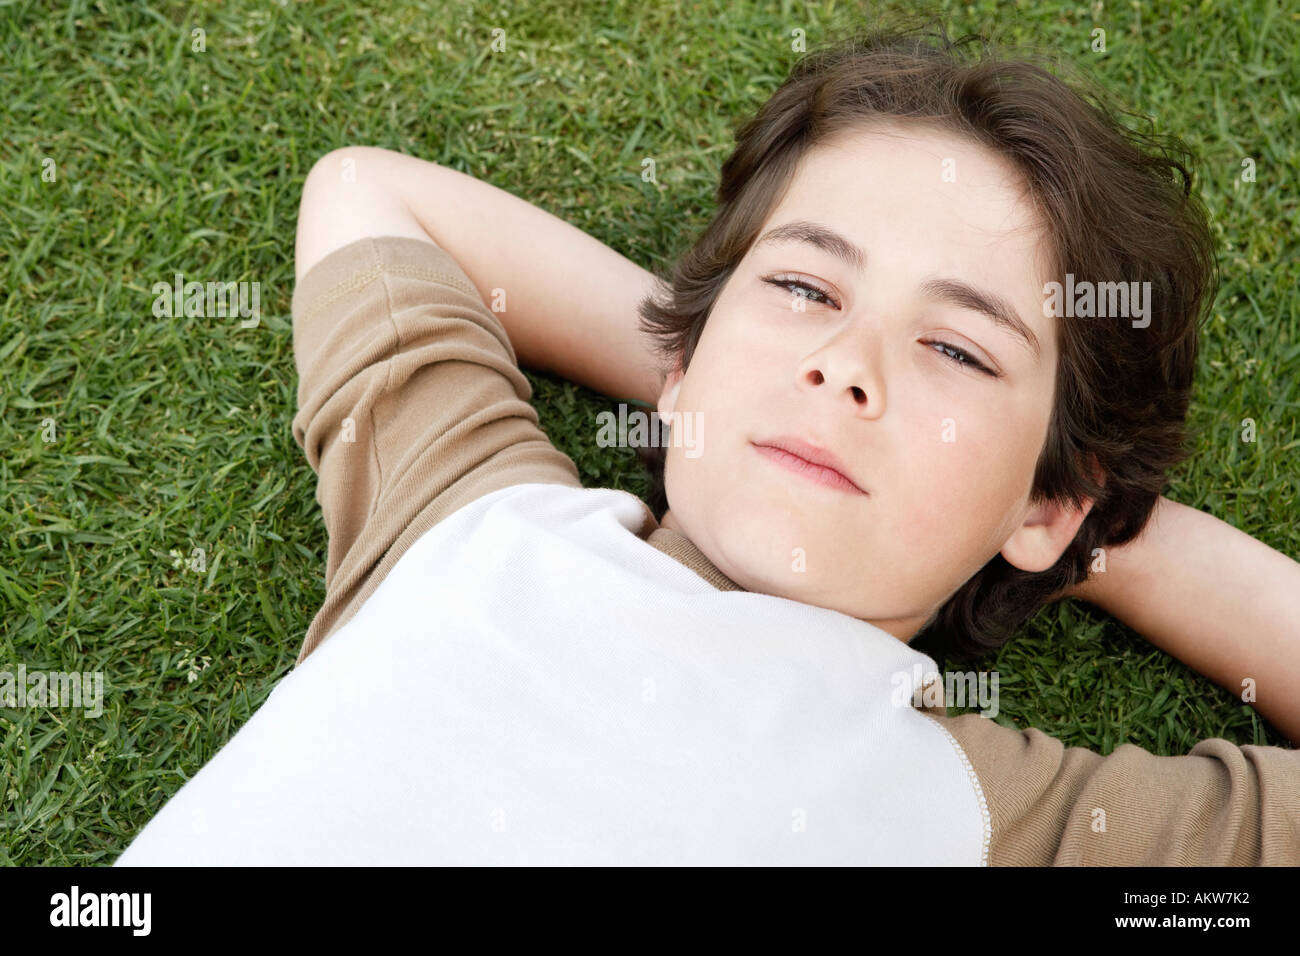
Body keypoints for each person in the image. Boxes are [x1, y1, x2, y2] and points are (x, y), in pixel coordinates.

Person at [115, 23, 1300, 865]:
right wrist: (709, 382)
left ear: (1050, 501)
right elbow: (374, 195)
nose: (842, 364)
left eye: (958, 350)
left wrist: (1093, 530)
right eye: (800, 286)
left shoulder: (1005, 816)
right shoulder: (466, 519)